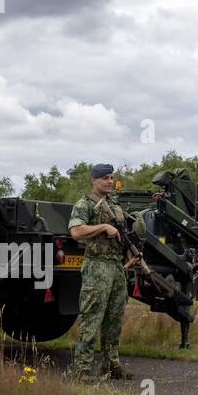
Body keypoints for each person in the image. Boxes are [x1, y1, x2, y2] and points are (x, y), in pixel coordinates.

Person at [66, 163, 135, 382]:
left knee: (114, 319)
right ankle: (82, 369)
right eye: (105, 177)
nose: (109, 181)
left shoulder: (115, 206)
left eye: (111, 177)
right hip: (97, 266)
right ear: (94, 180)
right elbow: (76, 231)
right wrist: (103, 228)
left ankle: (111, 365)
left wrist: (130, 256)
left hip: (116, 266)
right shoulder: (85, 203)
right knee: (92, 317)